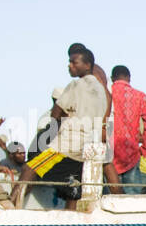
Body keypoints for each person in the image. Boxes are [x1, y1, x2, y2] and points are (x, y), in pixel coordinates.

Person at [12, 45, 110, 209]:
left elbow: (55, 114)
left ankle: (11, 206)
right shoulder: (101, 91)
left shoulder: (75, 85)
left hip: (66, 145)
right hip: (86, 147)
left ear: (87, 65)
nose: (70, 66)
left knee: (31, 167)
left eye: (74, 62)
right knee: (73, 190)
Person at [108, 65, 146, 193]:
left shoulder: (107, 93)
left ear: (112, 78)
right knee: (132, 200)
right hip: (131, 153)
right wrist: (145, 148)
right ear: (129, 78)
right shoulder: (140, 96)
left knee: (107, 198)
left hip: (109, 154)